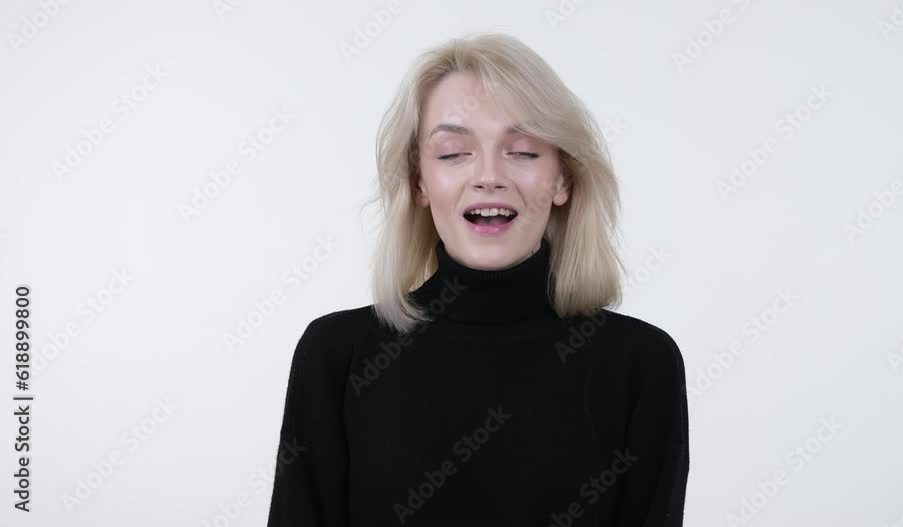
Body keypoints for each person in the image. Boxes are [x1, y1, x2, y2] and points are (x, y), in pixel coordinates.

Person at [266, 32, 689, 526]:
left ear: (563, 180)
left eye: (524, 151)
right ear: (419, 181)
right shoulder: (338, 355)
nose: (489, 175)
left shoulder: (640, 364)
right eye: (452, 153)